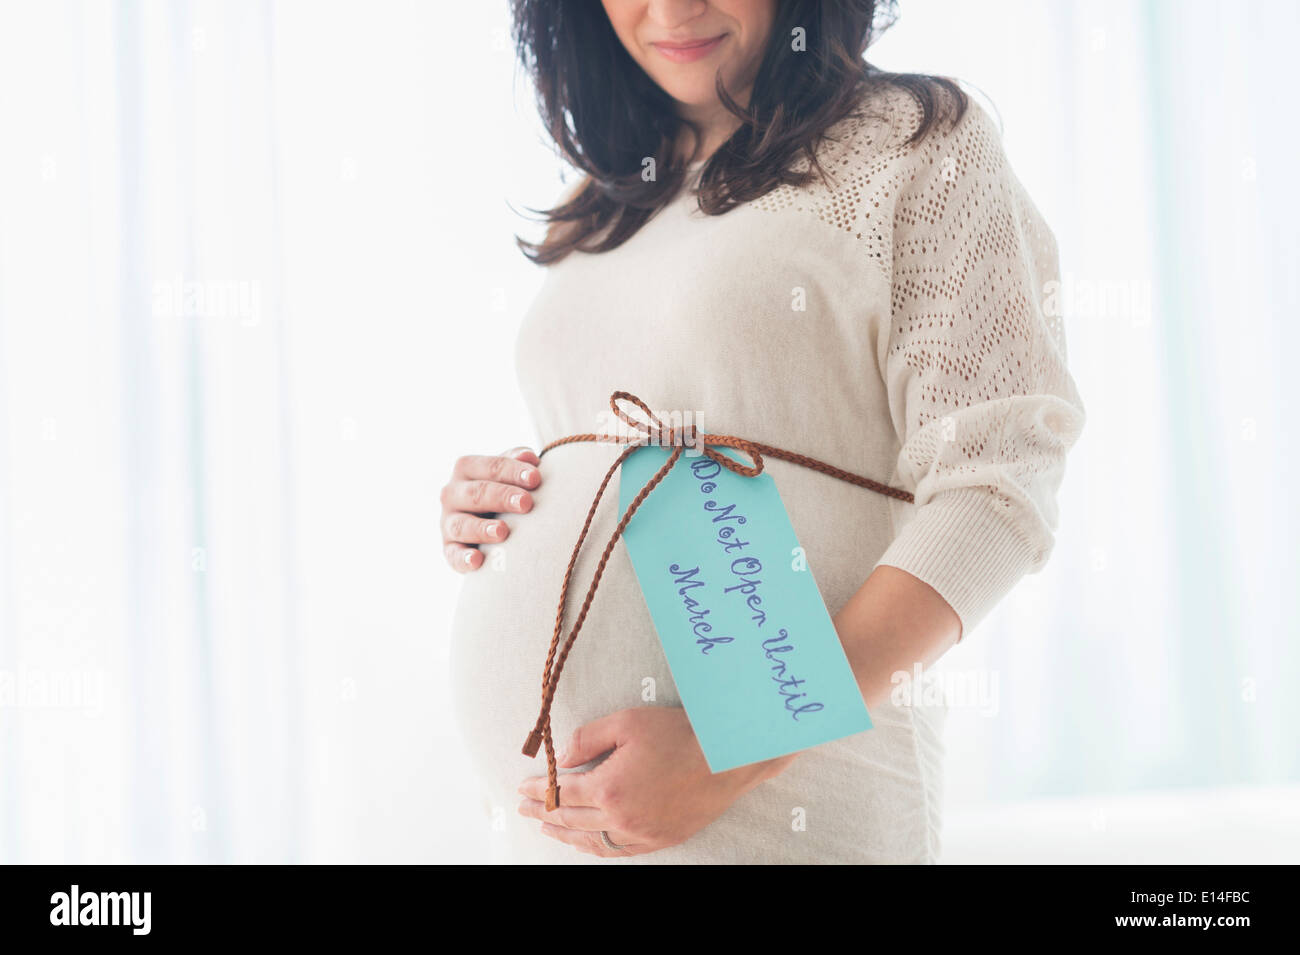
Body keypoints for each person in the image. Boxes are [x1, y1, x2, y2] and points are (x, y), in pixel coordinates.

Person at [441, 0, 1085, 863]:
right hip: (561, 832)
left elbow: (998, 484)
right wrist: (500, 510)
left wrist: (731, 744)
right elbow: (610, 495)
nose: (671, 9)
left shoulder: (914, 146)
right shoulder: (597, 202)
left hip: (789, 812)